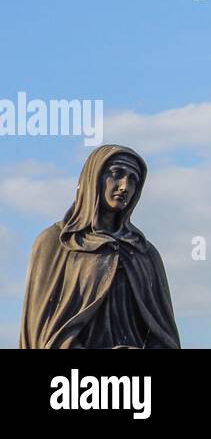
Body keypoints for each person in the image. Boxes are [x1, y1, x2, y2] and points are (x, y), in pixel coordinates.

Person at [20, 145, 181, 349]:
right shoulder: (56, 243)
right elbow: (39, 335)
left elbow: (165, 338)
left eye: (133, 179)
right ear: (94, 178)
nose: (125, 186)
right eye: (116, 174)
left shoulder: (144, 254)